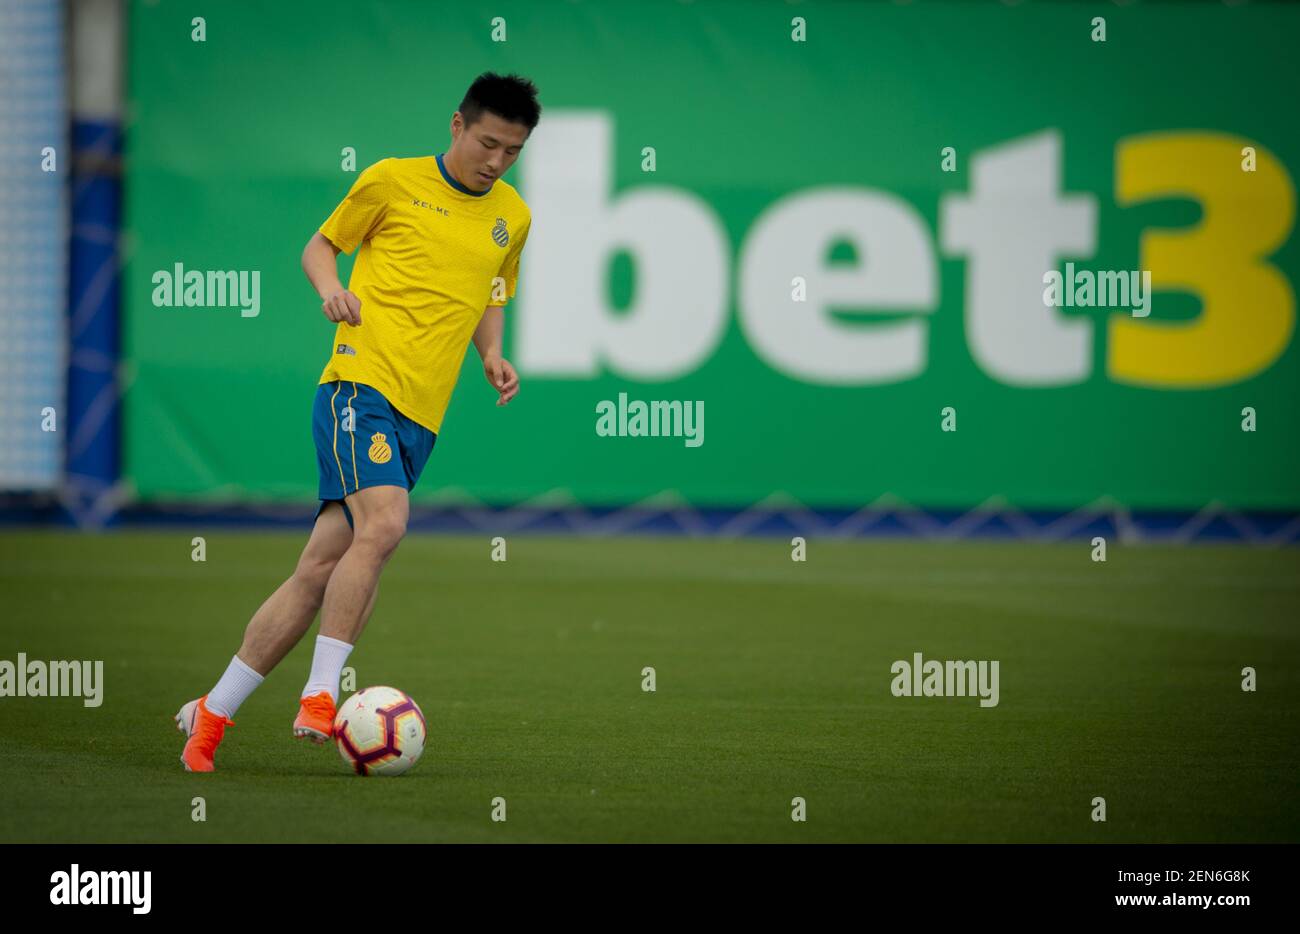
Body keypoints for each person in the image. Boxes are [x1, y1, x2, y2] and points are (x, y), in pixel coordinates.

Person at [175, 72, 541, 771]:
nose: (495, 161)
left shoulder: (512, 216)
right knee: (386, 525)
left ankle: (211, 715)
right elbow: (319, 247)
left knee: (319, 568)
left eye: (513, 151)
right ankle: (320, 695)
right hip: (358, 383)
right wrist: (332, 291)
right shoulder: (390, 181)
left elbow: (493, 289)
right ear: (457, 124)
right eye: (488, 142)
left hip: (421, 415)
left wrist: (492, 352)